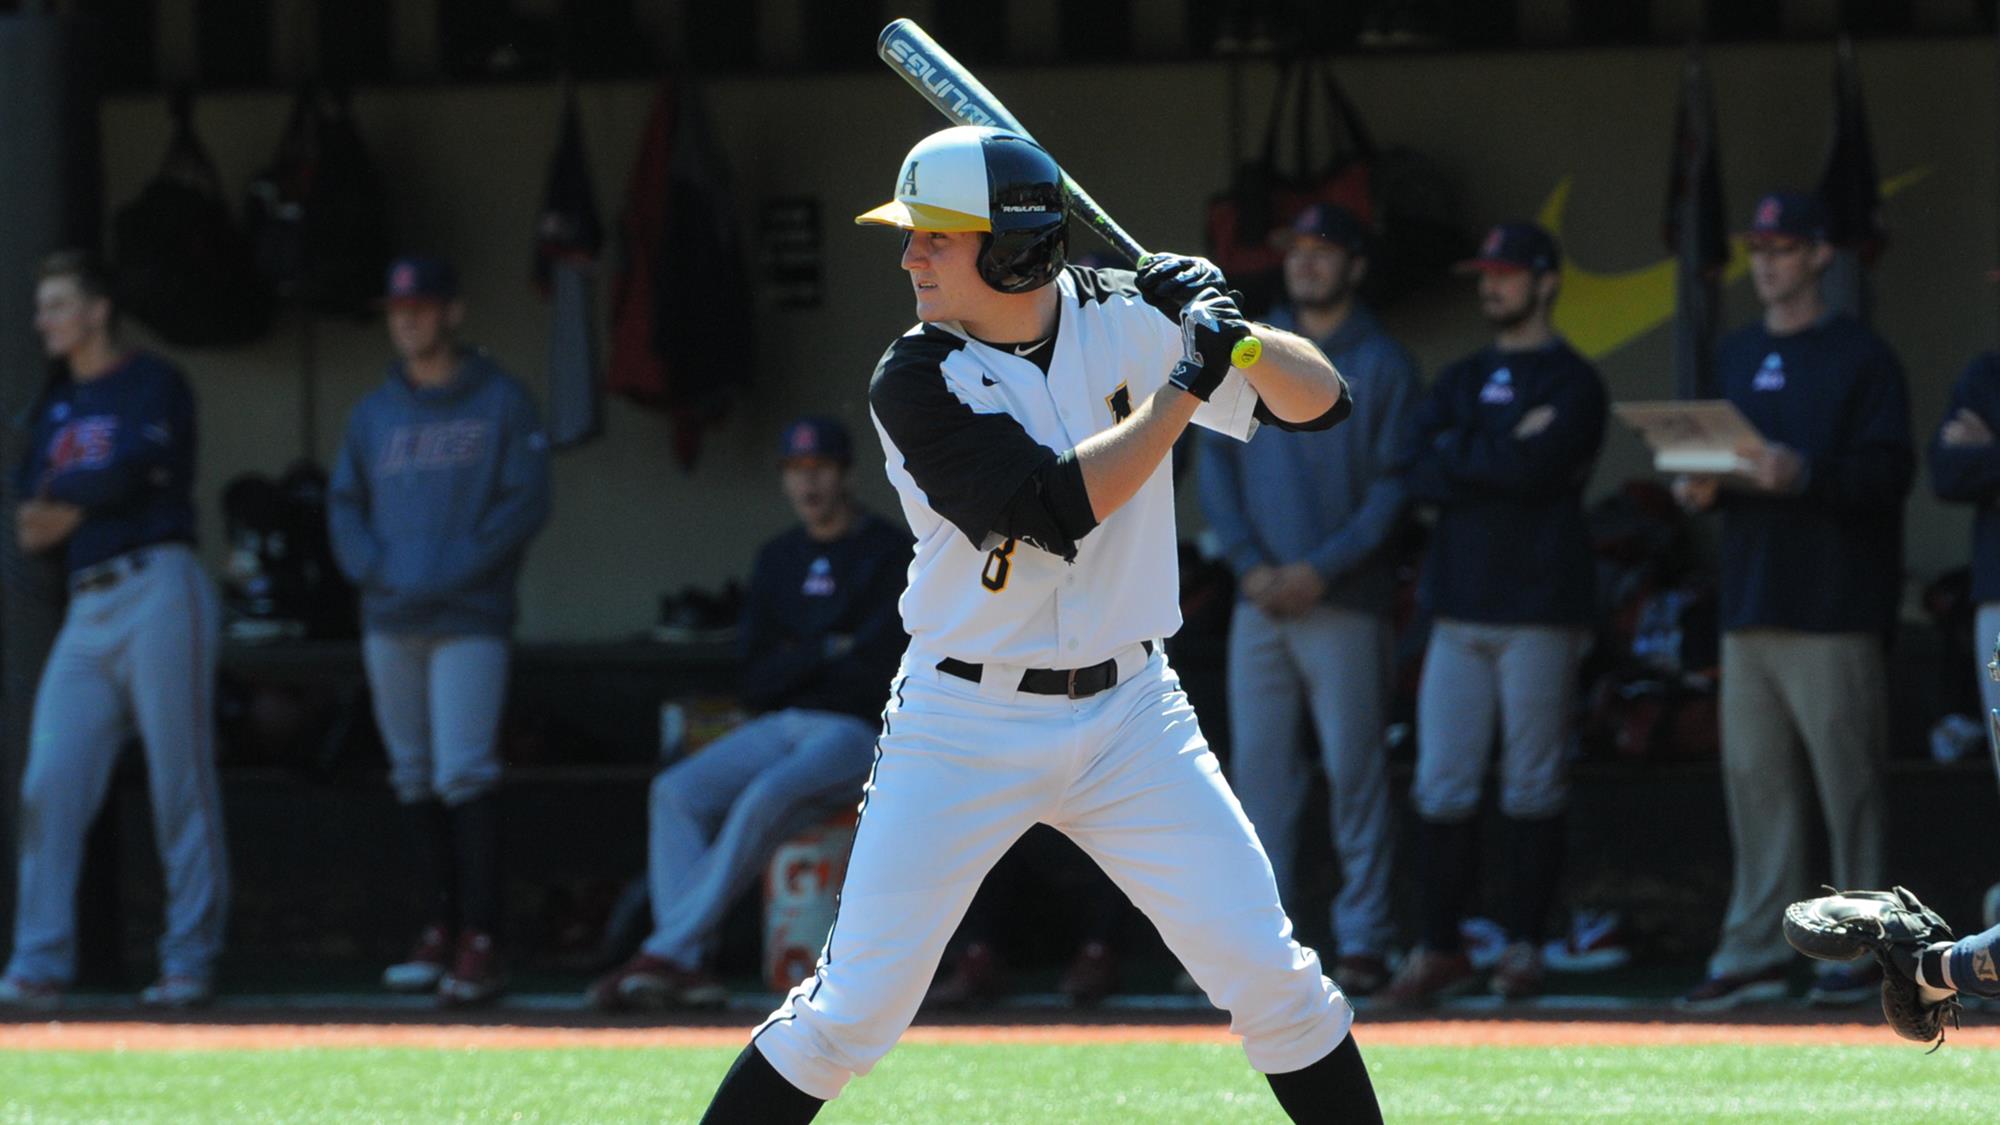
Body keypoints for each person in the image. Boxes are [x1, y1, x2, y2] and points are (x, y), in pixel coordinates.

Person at [697, 125, 1381, 1123]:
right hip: (961, 719)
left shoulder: (1128, 315)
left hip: (1131, 714)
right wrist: (1185, 380)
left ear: (1012, 247)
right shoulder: (913, 377)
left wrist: (1233, 332)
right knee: (851, 1014)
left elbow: (1321, 403)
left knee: (1273, 979)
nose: (909, 257)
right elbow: (1052, 511)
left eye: (935, 236)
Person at [1672, 191, 1912, 1010]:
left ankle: (1863, 949)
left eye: (1782, 247)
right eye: (1759, 247)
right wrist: (1700, 486)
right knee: (1757, 786)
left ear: (1818, 256)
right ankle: (1756, 948)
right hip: (1750, 599)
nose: (1767, 261)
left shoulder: (1861, 355)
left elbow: (1890, 476)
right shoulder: (1736, 351)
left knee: (1850, 786)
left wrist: (1801, 471)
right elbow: (1705, 455)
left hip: (1835, 604)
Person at [587, 416, 910, 1011]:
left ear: (847, 475)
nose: (808, 484)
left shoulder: (887, 552)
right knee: (675, 792)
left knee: (762, 797)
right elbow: (756, 677)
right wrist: (827, 647)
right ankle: (686, 960)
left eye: (819, 470)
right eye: (795, 471)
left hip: (856, 730)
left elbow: (878, 667)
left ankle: (666, 952)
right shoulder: (778, 557)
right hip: (781, 721)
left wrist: (804, 654)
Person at [1379, 222, 1606, 1007]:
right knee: (1442, 784)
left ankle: (1522, 945)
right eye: (1487, 272)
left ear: (1546, 281)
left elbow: (1538, 471)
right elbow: (1414, 464)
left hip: (1541, 604)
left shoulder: (1573, 382)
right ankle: (1439, 945)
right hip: (1458, 606)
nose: (1492, 285)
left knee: (1533, 784)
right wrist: (1502, 450)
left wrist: (1473, 453)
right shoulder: (1464, 374)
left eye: (1508, 273)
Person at [1196, 203, 1419, 998]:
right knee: (1258, 779)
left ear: (1356, 264)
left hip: (1342, 597)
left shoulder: (1384, 361)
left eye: (1325, 250)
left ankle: (1365, 938)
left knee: (1355, 775)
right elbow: (1213, 468)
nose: (1307, 262)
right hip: (1259, 599)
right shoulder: (1248, 347)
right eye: (1296, 248)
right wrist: (1252, 565)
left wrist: (1321, 568)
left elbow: (1396, 487)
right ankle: (1262, 944)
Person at [0, 250, 227, 1011]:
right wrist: (80, 499)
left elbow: (135, 472)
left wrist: (76, 498)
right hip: (87, 604)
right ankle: (39, 958)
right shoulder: (57, 403)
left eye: (59, 304)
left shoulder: (150, 380)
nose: (46, 321)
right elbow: (30, 516)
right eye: (43, 306)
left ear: (97, 309)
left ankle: (189, 955)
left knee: (179, 778)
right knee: (49, 780)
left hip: (158, 583)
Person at [327, 256, 553, 1007]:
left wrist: (451, 569)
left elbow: (523, 503)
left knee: (464, 770)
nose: (409, 319)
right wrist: (378, 570)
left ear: (451, 312)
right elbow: (344, 505)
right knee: (413, 774)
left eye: (422, 306)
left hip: (468, 618)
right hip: (389, 616)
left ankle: (481, 939)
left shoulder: (499, 400)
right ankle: (436, 928)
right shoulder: (373, 412)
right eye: (398, 309)